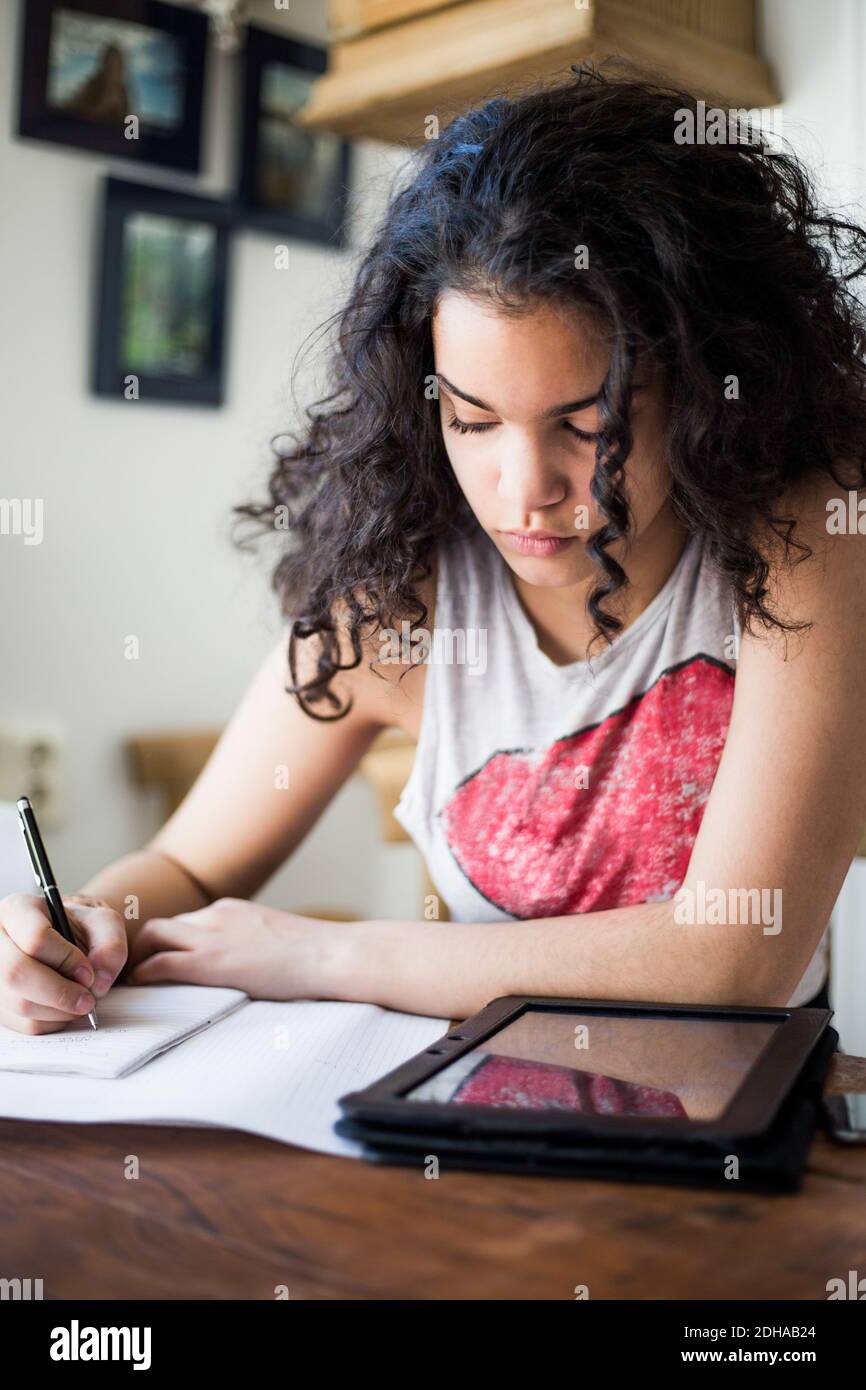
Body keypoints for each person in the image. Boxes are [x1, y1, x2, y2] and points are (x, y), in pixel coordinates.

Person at [3, 65, 865, 1035]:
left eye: (590, 427)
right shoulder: (396, 595)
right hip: (468, 1115)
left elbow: (731, 957)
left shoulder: (810, 529)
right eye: (471, 419)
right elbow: (190, 868)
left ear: (709, 384)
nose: (524, 487)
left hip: (739, 1134)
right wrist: (87, 925)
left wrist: (329, 950)